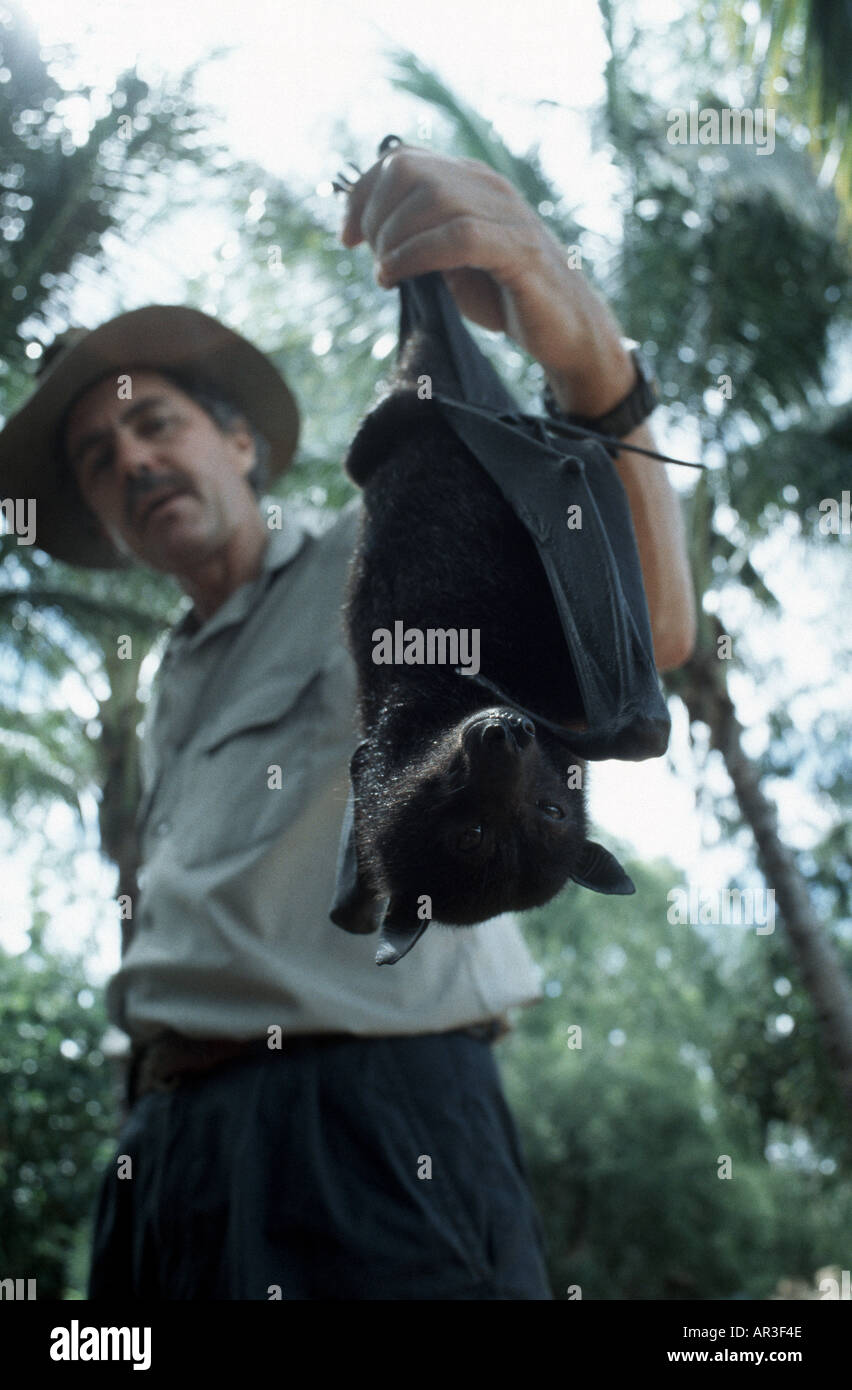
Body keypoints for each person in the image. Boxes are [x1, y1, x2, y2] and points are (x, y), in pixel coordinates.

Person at [0, 142, 695, 1300]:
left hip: (363, 1132)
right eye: (96, 456)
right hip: (161, 1163)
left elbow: (656, 629)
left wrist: (580, 344)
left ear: (239, 445)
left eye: (155, 424)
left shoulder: (375, 560)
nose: (130, 459)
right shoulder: (163, 687)